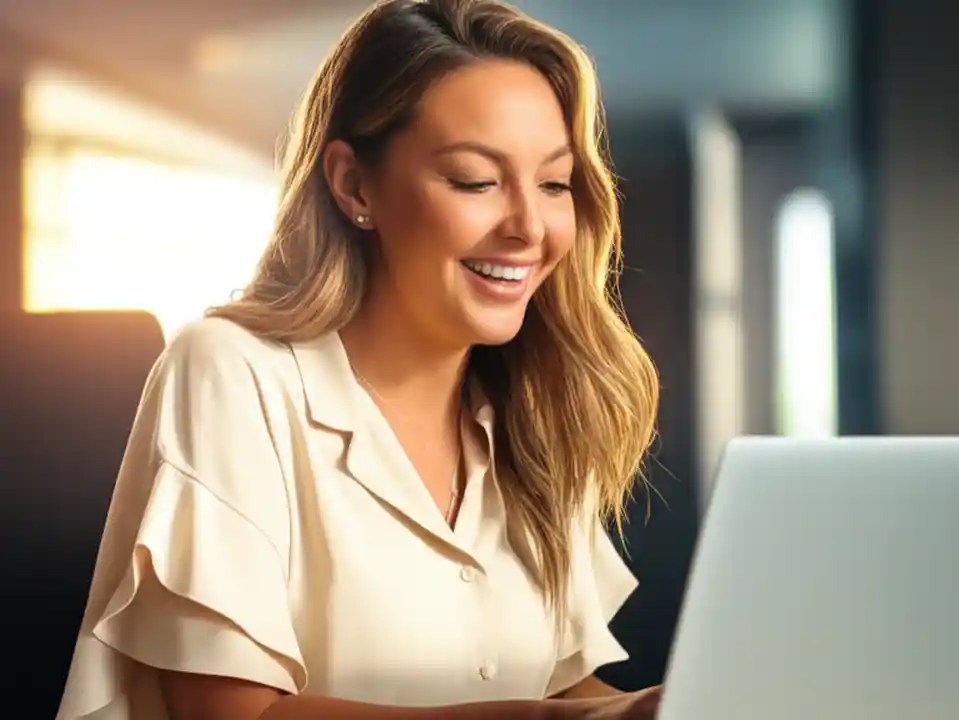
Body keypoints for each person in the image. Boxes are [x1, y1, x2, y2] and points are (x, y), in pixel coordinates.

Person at [55, 0, 663, 717]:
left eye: (554, 184)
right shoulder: (232, 372)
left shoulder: (533, 411)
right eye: (476, 180)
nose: (530, 227)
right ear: (352, 185)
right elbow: (236, 714)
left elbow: (557, 686)